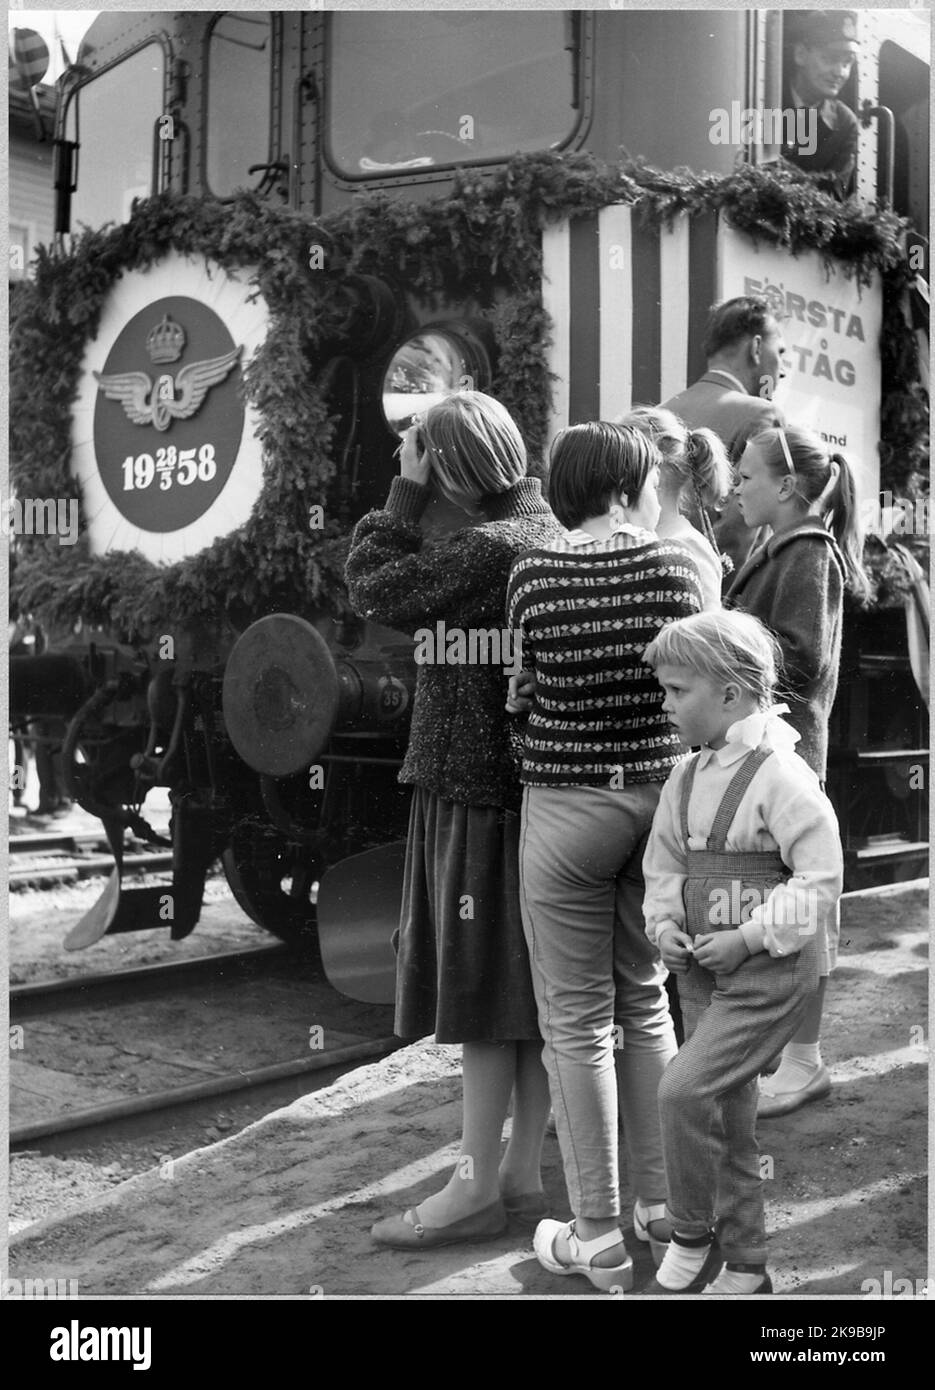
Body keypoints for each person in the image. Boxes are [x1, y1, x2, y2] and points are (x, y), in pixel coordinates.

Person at [344, 390, 564, 1247]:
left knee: (478, 997)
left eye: (425, 459)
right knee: (526, 999)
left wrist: (401, 495)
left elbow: (374, 584)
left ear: (453, 468)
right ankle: (518, 1174)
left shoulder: (490, 547)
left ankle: (474, 1185)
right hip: (521, 793)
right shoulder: (540, 529)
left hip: (475, 794)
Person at [506, 422, 703, 1291]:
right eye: (652, 479)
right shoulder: (674, 570)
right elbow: (698, 682)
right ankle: (660, 1209)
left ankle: (594, 1232)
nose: (661, 492)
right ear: (625, 487)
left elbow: (522, 691)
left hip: (565, 807)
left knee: (576, 1022)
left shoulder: (534, 575)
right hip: (656, 806)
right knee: (646, 1001)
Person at [642, 609, 843, 1293]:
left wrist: (751, 936)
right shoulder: (684, 778)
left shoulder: (781, 776)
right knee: (724, 1118)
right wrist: (664, 926)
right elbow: (663, 869)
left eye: (676, 690)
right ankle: (748, 1264)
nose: (664, 705)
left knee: (681, 1089)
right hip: (702, 978)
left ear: (729, 694)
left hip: (765, 979)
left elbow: (819, 876)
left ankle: (690, 1229)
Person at [728, 424, 869, 1117]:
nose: (737, 488)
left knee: (799, 905)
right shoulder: (782, 546)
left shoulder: (806, 551)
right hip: (770, 753)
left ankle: (804, 1061)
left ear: (786, 486)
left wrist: (722, 645)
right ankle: (790, 1057)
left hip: (785, 757)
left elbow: (803, 658)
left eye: (747, 477)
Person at [662, 296, 789, 575]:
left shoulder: (662, 412)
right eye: (779, 352)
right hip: (713, 600)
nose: (783, 370)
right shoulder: (763, 415)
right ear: (756, 348)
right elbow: (737, 535)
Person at [621, 406, 732, 610]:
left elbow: (706, 630)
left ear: (654, 474)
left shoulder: (687, 545)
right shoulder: (643, 535)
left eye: (622, 466)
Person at [782, 10, 860, 202]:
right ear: (800, 54)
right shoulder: (765, 99)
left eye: (847, 62)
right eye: (831, 59)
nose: (840, 72)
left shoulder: (844, 123)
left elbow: (833, 198)